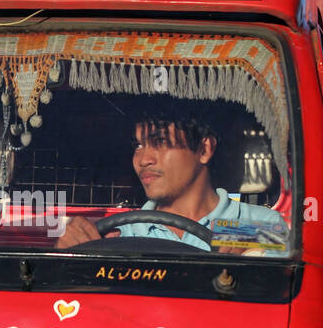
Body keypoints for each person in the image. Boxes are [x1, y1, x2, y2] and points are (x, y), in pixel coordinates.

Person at [56, 106, 291, 252]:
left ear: (204, 149)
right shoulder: (121, 234)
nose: (143, 159)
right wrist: (68, 252)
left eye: (159, 142)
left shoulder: (258, 225)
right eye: (138, 145)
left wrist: (247, 266)